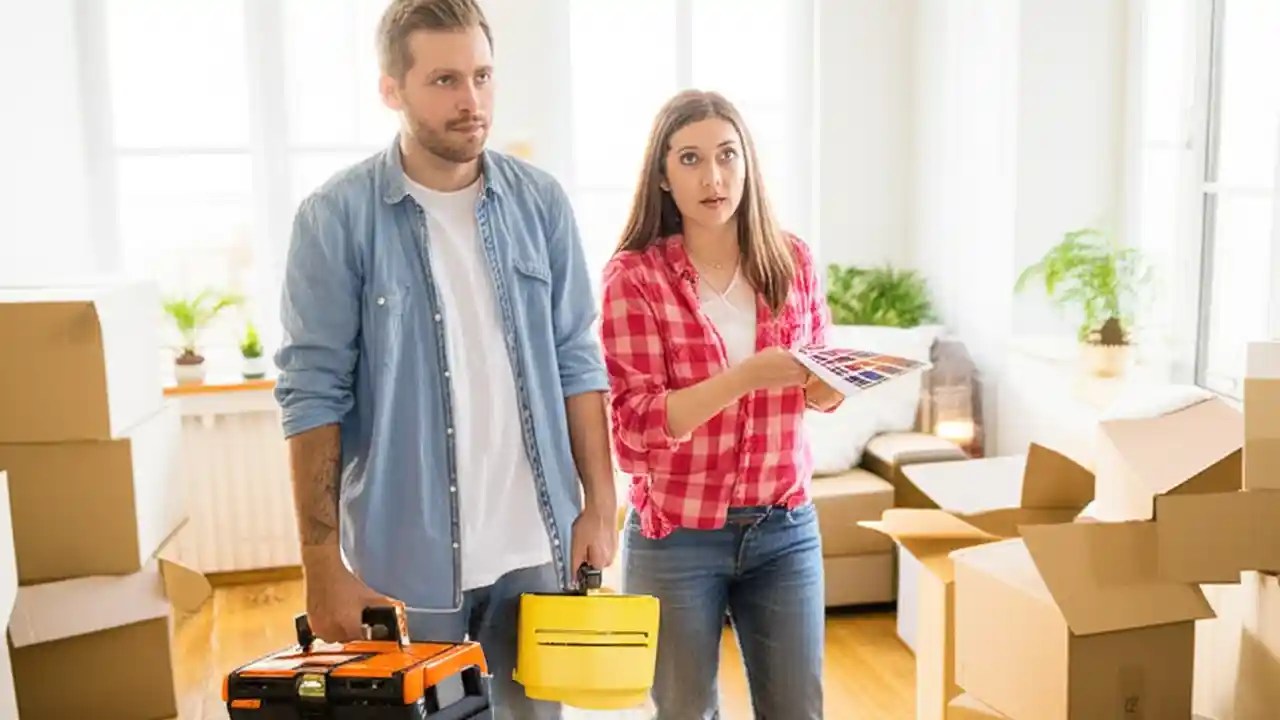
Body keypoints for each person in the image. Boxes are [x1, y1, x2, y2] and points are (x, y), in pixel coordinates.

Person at [272, 1, 617, 717]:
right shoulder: (335, 219)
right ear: (390, 90)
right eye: (444, 81)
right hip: (404, 562)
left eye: (483, 77)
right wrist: (321, 566)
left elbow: (577, 359)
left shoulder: (542, 203)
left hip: (537, 547)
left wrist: (599, 502)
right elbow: (312, 397)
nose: (472, 101)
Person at [598, 90, 843, 719]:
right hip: (676, 535)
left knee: (798, 711)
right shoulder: (635, 278)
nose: (714, 177)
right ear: (661, 175)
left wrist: (827, 387)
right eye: (690, 159)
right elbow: (632, 431)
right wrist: (744, 378)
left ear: (748, 164)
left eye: (727, 155)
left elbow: (817, 381)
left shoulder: (792, 262)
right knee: (683, 712)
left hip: (785, 528)